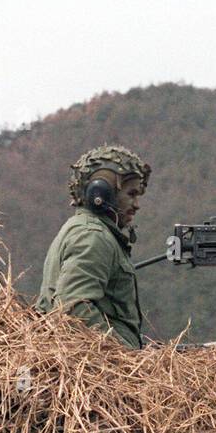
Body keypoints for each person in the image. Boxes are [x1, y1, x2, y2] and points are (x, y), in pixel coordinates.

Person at [36, 144, 151, 347]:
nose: (136, 205)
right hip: (100, 371)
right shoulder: (93, 237)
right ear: (102, 193)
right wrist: (128, 359)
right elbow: (72, 310)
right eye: (131, 194)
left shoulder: (88, 230)